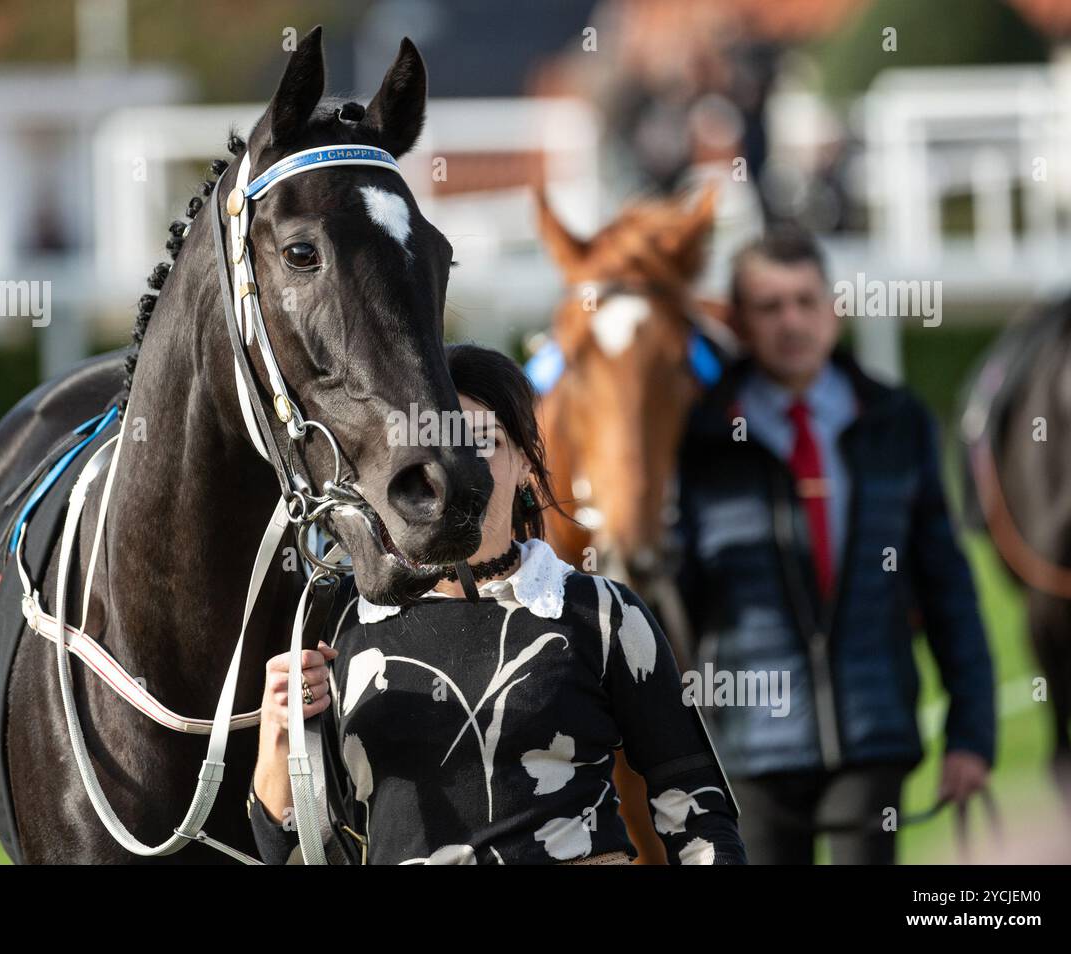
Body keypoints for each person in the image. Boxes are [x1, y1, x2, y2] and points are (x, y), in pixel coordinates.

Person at [248, 343, 746, 865]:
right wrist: (280, 733)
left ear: (528, 461)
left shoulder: (600, 613)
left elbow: (695, 804)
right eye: (435, 441)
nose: (457, 463)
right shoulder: (342, 622)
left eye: (483, 441)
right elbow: (283, 847)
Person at [672, 225, 995, 864]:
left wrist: (972, 734)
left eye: (805, 301)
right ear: (736, 321)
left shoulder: (896, 421)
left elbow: (947, 584)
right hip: (747, 751)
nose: (792, 322)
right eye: (769, 307)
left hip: (873, 737)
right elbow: (669, 608)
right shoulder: (698, 439)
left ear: (835, 310)